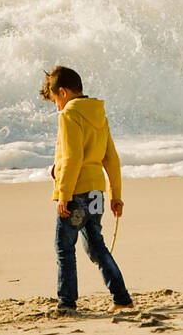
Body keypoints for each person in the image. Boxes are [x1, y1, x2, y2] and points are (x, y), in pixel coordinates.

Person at [41, 65, 134, 314]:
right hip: (96, 196)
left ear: (63, 92)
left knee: (64, 246)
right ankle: (121, 297)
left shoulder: (70, 114)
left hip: (77, 196)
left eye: (55, 101)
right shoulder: (98, 114)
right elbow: (111, 158)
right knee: (96, 245)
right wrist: (116, 196)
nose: (57, 107)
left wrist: (63, 195)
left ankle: (67, 303)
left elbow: (72, 158)